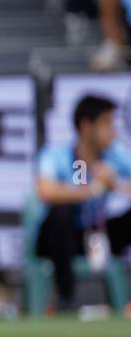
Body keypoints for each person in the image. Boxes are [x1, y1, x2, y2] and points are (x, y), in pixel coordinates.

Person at [34, 93, 131, 309]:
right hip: (57, 239)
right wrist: (92, 189)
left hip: (95, 234)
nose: (113, 132)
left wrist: (115, 184)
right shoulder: (55, 155)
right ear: (87, 126)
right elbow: (45, 191)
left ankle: (125, 300)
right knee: (61, 212)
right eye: (107, 124)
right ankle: (66, 299)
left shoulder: (115, 156)